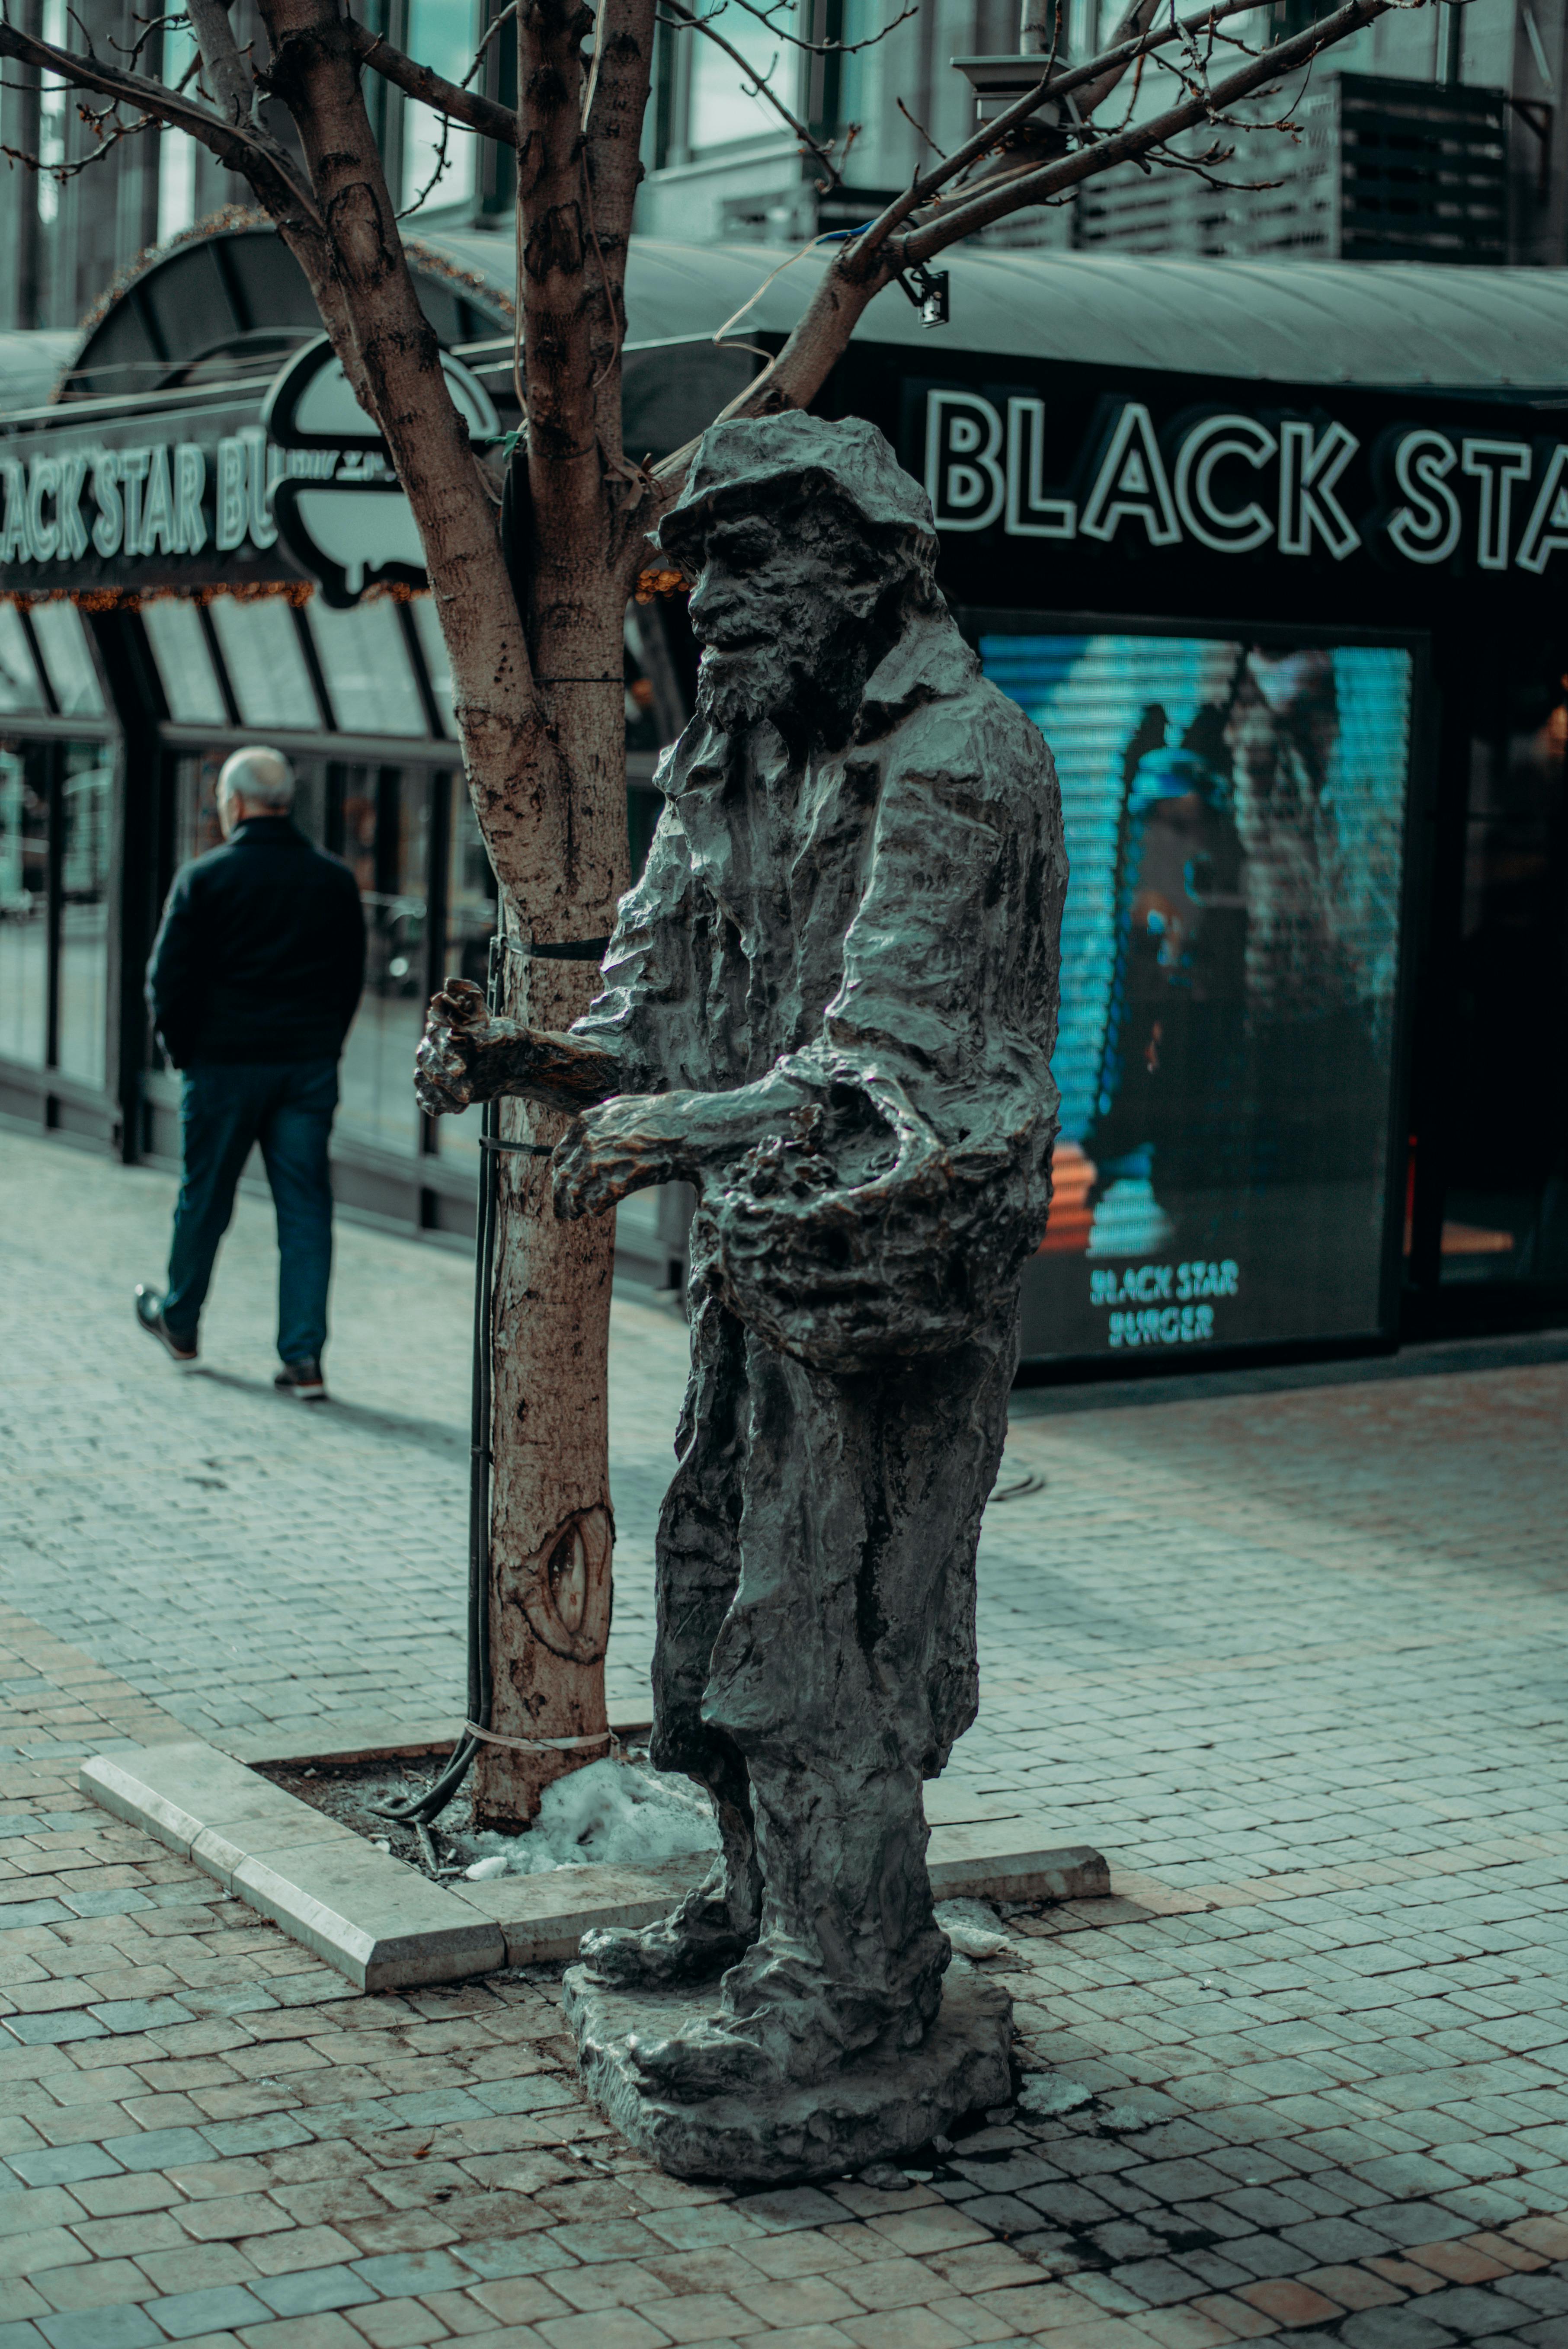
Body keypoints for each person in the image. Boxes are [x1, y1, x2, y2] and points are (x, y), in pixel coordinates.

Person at [416, 411, 1064, 2106]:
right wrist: (530, 1062)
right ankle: (763, 1897)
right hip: (765, 1269)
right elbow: (659, 999)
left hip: (892, 1286)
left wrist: (674, 1133)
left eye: (756, 560)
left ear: (868, 569)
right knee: (708, 1588)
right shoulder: (728, 759)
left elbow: (905, 1047)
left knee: (823, 1619)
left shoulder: (961, 751)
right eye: (699, 565)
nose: (708, 600)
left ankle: (852, 1975)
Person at [136, 745, 365, 1401]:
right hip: (306, 1070)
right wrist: (323, 1047)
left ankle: (180, 1324)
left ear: (233, 803)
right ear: (286, 801)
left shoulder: (205, 878)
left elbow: (166, 982)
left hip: (222, 1069)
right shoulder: (334, 879)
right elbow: (350, 978)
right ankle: (304, 1361)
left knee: (204, 1199)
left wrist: (185, 1054)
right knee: (306, 1212)